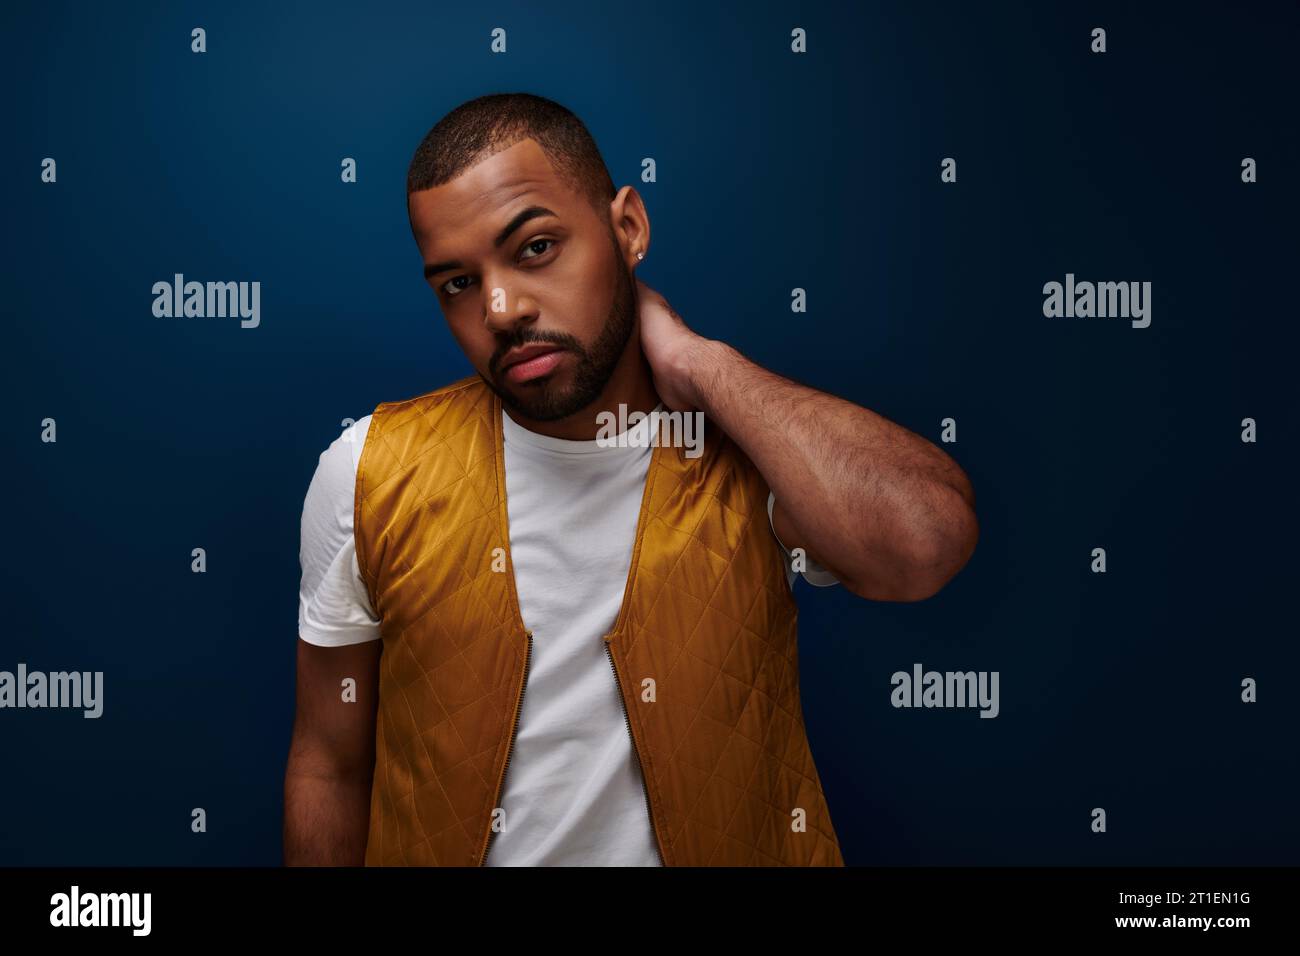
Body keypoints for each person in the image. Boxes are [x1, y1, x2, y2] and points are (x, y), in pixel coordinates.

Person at [284, 92, 978, 867]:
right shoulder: (368, 470)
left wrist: (702, 365)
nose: (502, 308)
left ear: (628, 229)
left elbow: (928, 541)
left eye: (536, 247)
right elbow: (328, 763)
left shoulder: (747, 450)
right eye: (457, 284)